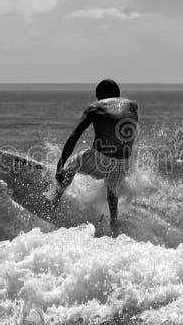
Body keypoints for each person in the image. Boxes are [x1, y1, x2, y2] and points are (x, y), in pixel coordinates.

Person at [50, 79, 139, 236]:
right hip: (124, 162)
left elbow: (74, 135)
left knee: (72, 163)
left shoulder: (95, 107)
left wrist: (59, 167)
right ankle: (114, 222)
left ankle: (53, 201)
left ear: (101, 95)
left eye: (98, 96)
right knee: (112, 188)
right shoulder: (132, 105)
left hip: (101, 159)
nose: (97, 99)